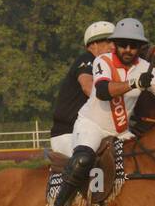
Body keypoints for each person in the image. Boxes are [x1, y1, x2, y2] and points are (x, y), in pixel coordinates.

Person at [45, 19, 155, 206]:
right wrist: (134, 83)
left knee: (144, 161)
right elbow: (102, 90)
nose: (128, 49)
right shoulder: (103, 60)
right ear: (116, 45)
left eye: (133, 45)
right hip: (92, 125)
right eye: (123, 44)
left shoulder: (145, 69)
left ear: (140, 47)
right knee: (83, 159)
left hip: (120, 131)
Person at [48, 21, 115, 157]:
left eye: (115, 42)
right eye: (107, 42)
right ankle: (68, 179)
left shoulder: (110, 68)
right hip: (69, 133)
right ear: (93, 45)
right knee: (89, 165)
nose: (113, 46)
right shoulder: (88, 59)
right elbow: (87, 86)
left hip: (92, 131)